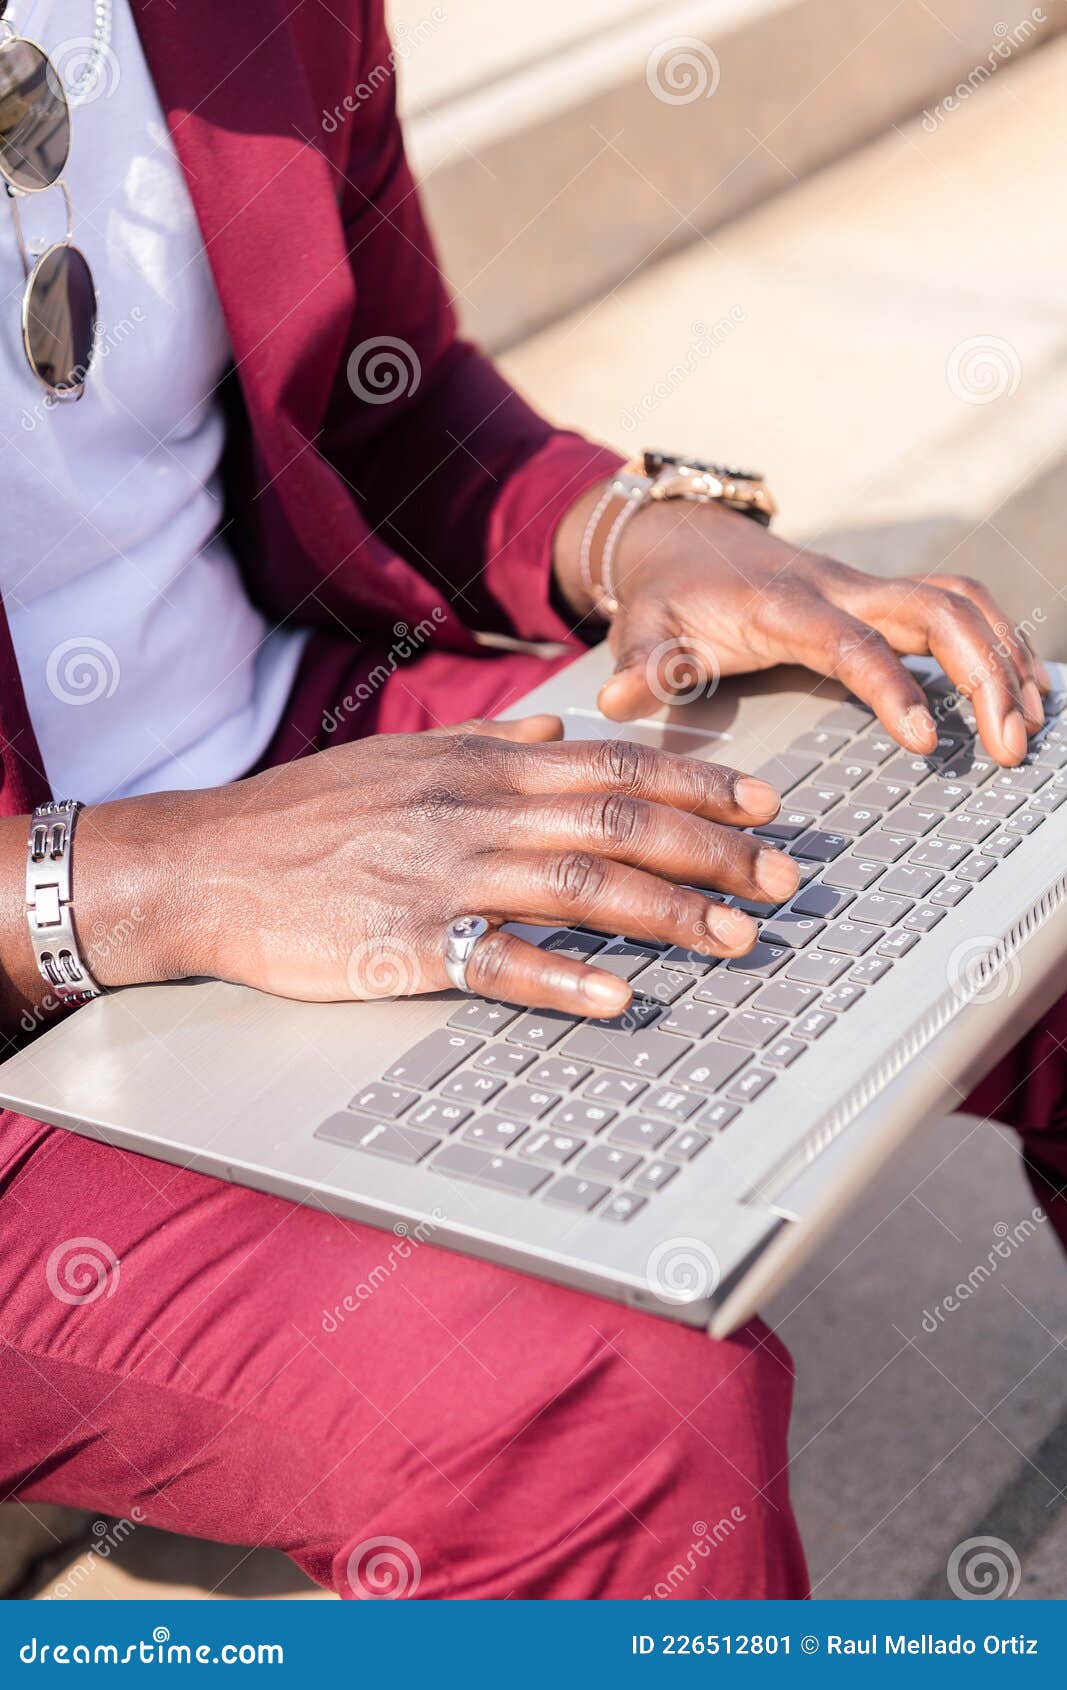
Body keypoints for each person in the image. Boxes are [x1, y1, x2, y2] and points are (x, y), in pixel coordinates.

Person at [0, 0, 1063, 1600]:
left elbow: (393, 390)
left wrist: (635, 540)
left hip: (316, 729)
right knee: (613, 1423)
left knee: (1005, 810)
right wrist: (148, 881)